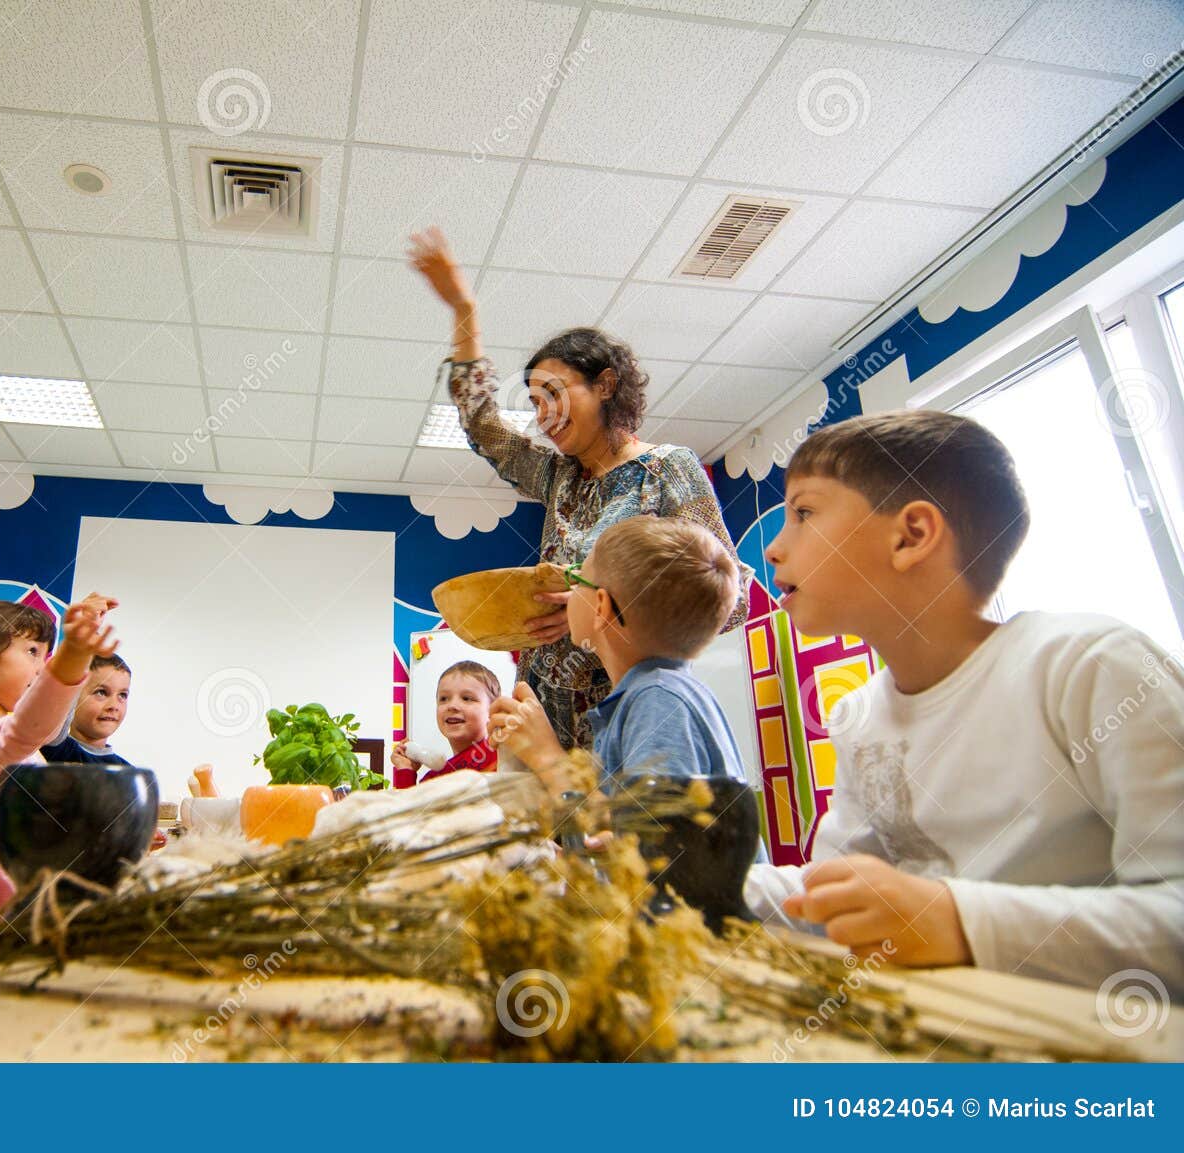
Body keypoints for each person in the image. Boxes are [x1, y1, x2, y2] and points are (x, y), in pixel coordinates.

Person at [745, 411, 1183, 994]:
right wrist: (693, 878)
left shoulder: (1091, 667)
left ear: (911, 536)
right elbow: (831, 890)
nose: (773, 549)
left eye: (803, 513)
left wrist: (959, 921)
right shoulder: (858, 718)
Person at [408, 227, 746, 750]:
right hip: (540, 712)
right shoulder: (560, 477)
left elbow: (731, 600)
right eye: (535, 402)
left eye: (554, 395)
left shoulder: (667, 470)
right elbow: (483, 426)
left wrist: (596, 608)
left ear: (606, 385)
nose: (543, 416)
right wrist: (464, 311)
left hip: (623, 716)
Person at [488, 519, 746, 793]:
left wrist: (547, 757)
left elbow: (645, 833)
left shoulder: (657, 703)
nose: (568, 593)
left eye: (576, 580)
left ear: (601, 606)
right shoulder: (652, 696)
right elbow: (617, 822)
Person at [0, 595, 120, 790]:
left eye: (45, 656)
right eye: (32, 652)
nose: (42, 668)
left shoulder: (24, 743)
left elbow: (47, 729)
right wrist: (74, 653)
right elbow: (30, 729)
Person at [392, 661, 499, 785]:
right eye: (443, 699)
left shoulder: (501, 753)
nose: (452, 706)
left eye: (467, 698)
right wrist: (406, 770)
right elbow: (408, 803)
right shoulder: (433, 779)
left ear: (493, 709)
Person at [41, 655, 136, 766]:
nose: (114, 706)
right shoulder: (54, 747)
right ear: (73, 697)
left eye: (122, 695)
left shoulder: (127, 771)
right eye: (101, 692)